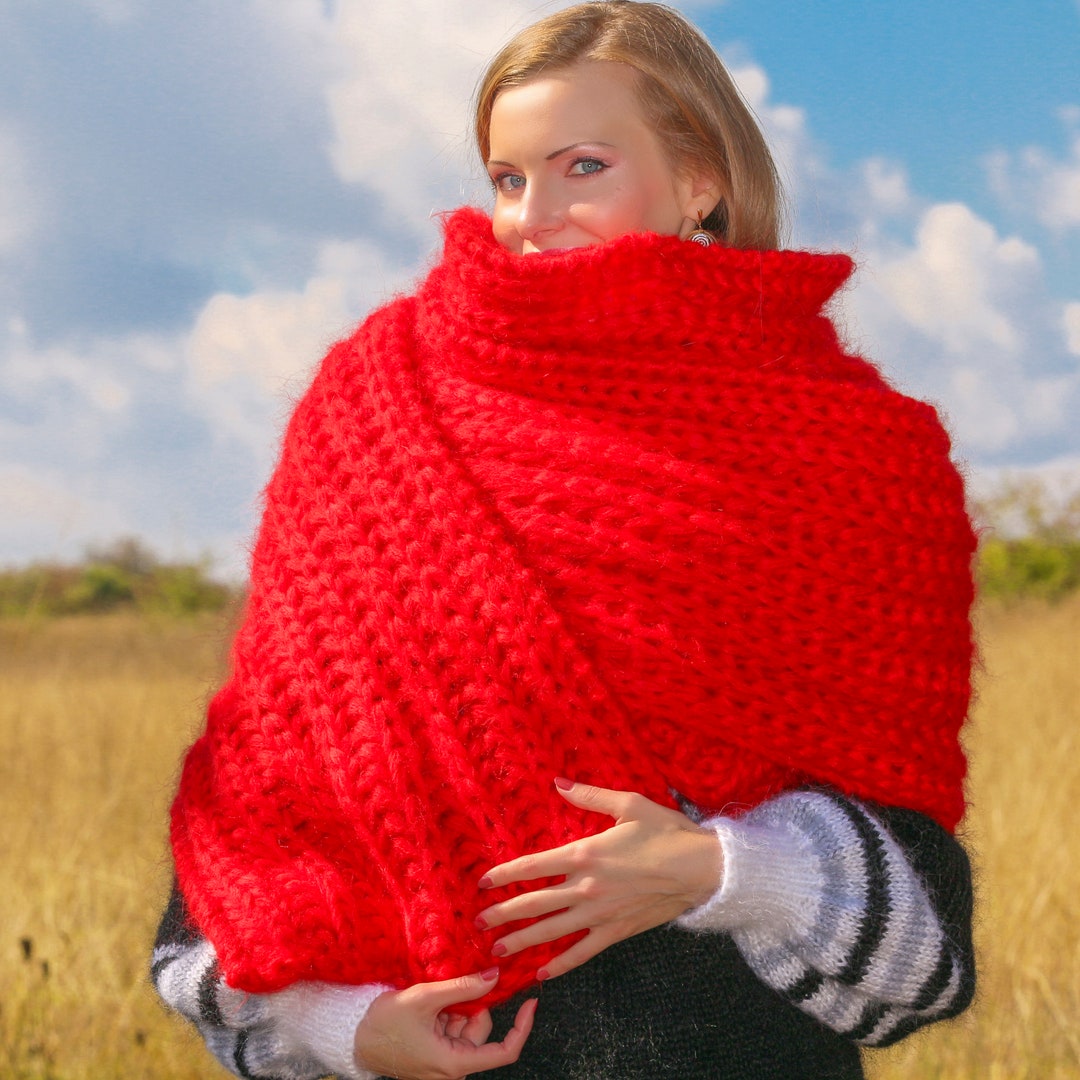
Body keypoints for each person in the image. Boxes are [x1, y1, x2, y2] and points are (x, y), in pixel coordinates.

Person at [152, 3, 977, 1078]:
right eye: (506, 177)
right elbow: (260, 817)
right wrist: (342, 1029)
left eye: (581, 166)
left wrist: (719, 871)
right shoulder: (373, 416)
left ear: (701, 179)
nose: (532, 214)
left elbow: (923, 940)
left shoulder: (862, 456)